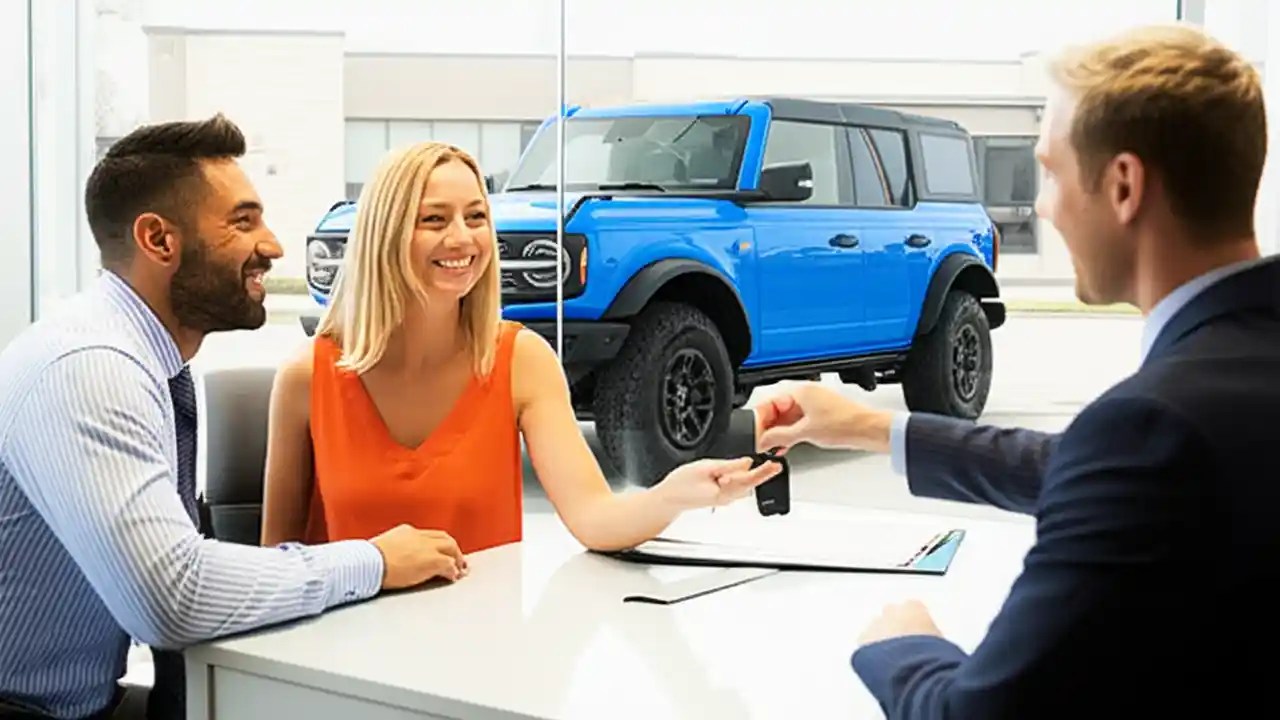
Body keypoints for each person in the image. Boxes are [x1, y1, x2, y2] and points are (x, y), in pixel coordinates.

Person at [754, 24, 1280, 719]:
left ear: (1123, 185)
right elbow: (1106, 470)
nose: (1042, 206)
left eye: (1052, 172)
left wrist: (899, 644)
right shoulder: (1218, 394)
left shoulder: (1154, 426)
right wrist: (873, 428)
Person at [0, 116, 484, 720]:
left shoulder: (140, 360)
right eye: (243, 221)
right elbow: (172, 597)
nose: (274, 245)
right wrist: (375, 561)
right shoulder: (90, 369)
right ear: (159, 240)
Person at [259, 140, 780, 560]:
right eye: (434, 220)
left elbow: (595, 518)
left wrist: (673, 494)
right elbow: (275, 565)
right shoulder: (306, 378)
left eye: (476, 217)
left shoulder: (520, 361)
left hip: (491, 645)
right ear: (384, 235)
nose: (462, 239)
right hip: (347, 653)